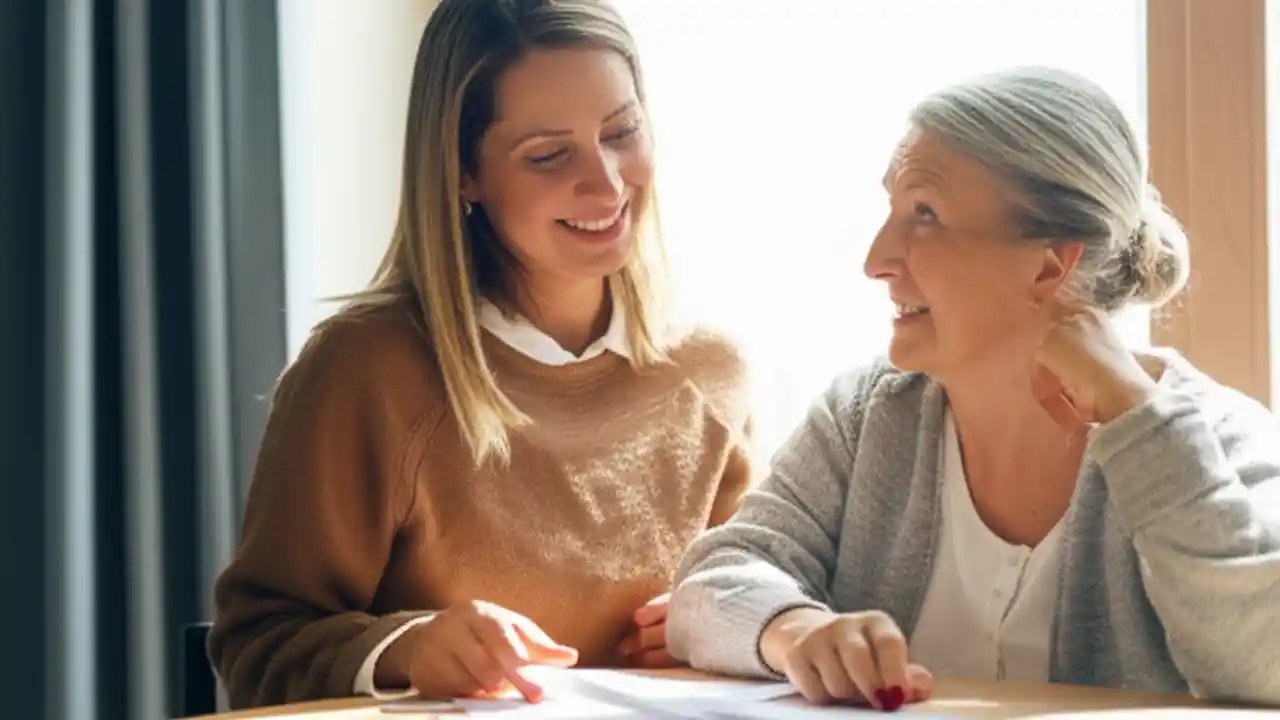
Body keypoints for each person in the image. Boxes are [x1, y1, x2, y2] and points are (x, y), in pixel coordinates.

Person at [666, 67, 1280, 711]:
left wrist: (1138, 419)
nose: (876, 259)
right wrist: (798, 632)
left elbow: (1265, 665)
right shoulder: (866, 417)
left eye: (924, 214)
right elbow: (711, 582)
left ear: (1048, 263)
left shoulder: (1211, 439)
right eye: (893, 210)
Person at [209, 0, 756, 709]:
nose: (608, 182)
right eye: (550, 155)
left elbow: (755, 595)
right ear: (463, 172)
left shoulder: (710, 372)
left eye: (622, 131)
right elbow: (256, 645)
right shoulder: (367, 373)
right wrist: (408, 648)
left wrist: (723, 627)